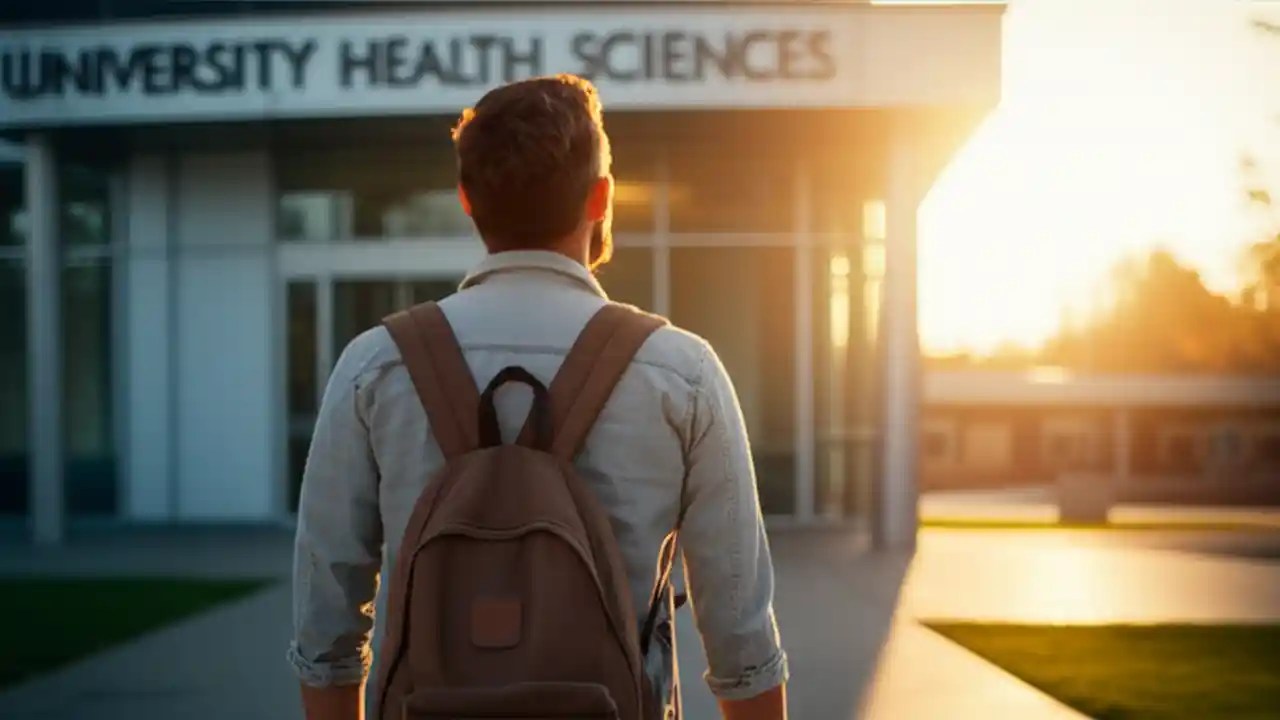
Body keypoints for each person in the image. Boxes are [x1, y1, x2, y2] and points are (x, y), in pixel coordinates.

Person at [288, 74, 788, 720]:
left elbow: (325, 629)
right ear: (601, 197)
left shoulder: (375, 368)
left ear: (466, 200)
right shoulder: (681, 374)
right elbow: (742, 644)